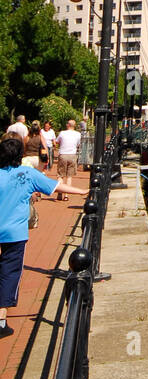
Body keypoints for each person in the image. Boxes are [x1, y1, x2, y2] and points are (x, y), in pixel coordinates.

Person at [0, 135, 86, 338]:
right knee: (9, 274)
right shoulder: (27, 174)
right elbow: (54, 187)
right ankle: (1, 320)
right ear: (19, 156)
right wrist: (81, 191)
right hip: (14, 234)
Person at [56, 119, 82, 188]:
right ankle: (66, 195)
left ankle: (60, 191)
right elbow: (78, 144)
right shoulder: (78, 134)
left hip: (63, 154)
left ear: (68, 125)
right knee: (69, 176)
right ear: (74, 126)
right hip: (72, 155)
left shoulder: (62, 133)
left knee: (60, 175)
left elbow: (57, 141)